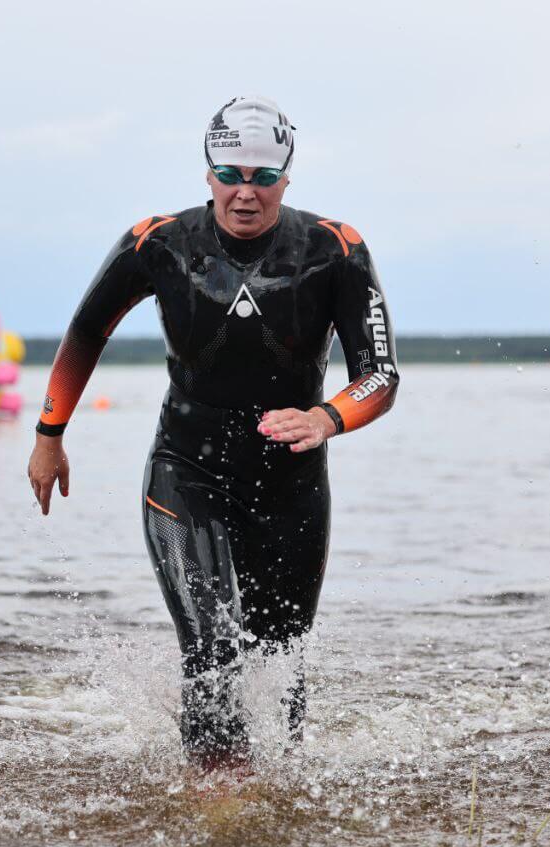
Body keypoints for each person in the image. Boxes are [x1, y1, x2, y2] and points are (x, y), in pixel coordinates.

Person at [27, 95, 399, 769]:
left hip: (291, 482)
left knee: (280, 665)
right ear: (208, 174)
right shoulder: (159, 243)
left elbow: (380, 375)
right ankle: (219, 808)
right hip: (186, 471)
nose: (245, 193)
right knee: (213, 647)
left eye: (262, 177)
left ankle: (277, 805)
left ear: (287, 178)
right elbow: (86, 330)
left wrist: (325, 417)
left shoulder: (335, 250)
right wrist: (49, 432)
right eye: (230, 174)